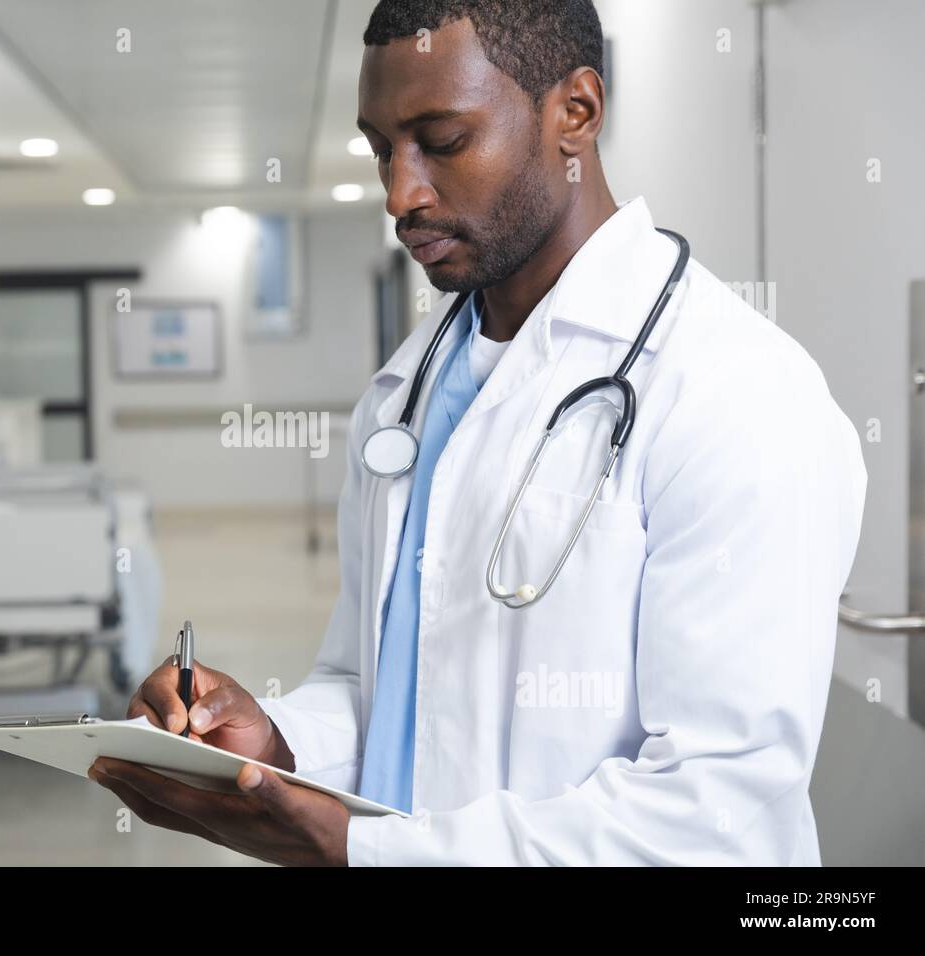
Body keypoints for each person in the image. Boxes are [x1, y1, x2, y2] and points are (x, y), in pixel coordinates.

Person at [88, 0, 867, 866]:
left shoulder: (735, 391)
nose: (400, 193)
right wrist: (274, 750)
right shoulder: (403, 396)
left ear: (576, 112)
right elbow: (374, 682)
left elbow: (715, 809)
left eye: (442, 141)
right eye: (382, 148)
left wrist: (363, 850)